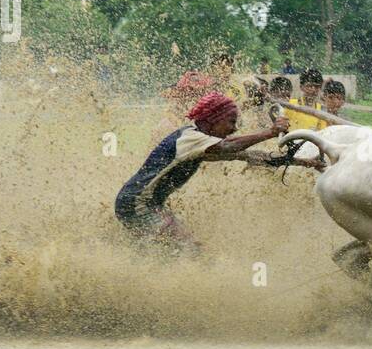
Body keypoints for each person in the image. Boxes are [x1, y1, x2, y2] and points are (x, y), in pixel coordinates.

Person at [115, 91, 292, 250]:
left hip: (148, 203)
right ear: (213, 119)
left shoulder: (201, 143)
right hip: (137, 203)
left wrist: (303, 162)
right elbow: (229, 145)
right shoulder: (190, 138)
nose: (234, 128)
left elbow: (246, 155)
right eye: (231, 122)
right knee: (187, 249)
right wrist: (270, 132)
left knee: (178, 247)